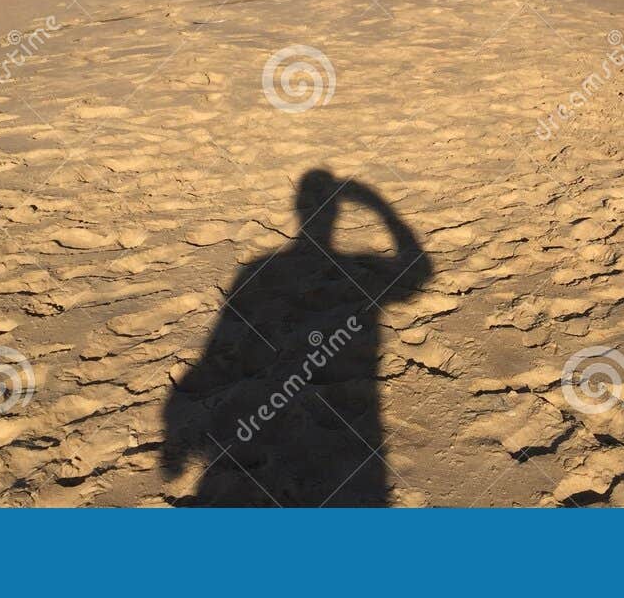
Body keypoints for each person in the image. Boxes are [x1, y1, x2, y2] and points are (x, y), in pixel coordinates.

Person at [160, 169, 432, 506]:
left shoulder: (258, 269)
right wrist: (382, 209)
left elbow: (216, 344)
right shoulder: (331, 266)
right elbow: (417, 270)